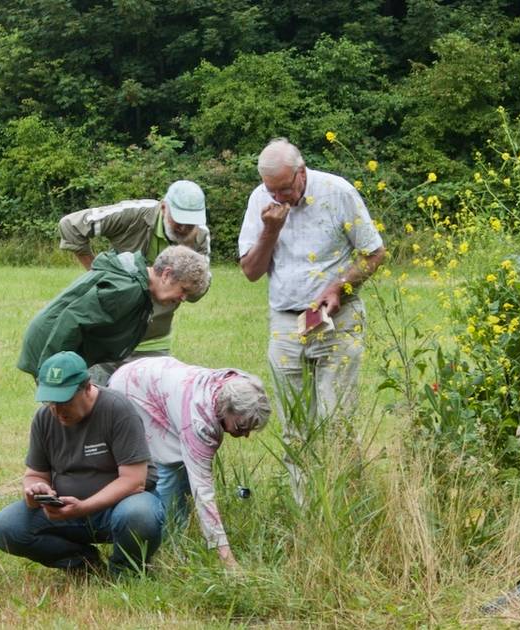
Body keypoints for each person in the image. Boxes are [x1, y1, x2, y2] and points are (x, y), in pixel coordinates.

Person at [237, 138, 386, 502]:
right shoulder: (262, 200)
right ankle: (306, 506)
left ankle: (344, 501)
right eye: (273, 190)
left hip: (338, 319)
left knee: (336, 420)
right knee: (294, 424)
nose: (280, 197)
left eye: (286, 188)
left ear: (302, 172)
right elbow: (251, 271)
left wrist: (340, 286)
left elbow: (374, 253)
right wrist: (270, 230)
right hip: (287, 323)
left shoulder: (338, 192)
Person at [0, 351, 165, 575]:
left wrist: (83, 507)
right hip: (65, 509)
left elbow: (134, 481)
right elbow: (34, 473)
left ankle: (126, 572)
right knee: (5, 527)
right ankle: (83, 564)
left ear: (87, 386)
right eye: (50, 400)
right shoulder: (44, 418)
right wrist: (35, 490)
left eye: (65, 400)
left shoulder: (118, 410)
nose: (57, 409)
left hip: (116, 508)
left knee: (140, 515)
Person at [108, 356, 271, 570]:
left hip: (157, 378)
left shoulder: (240, 384)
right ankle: (162, 550)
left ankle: (175, 543)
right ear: (226, 409)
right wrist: (227, 559)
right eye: (241, 427)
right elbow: (203, 494)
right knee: (171, 469)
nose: (246, 435)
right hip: (134, 389)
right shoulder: (199, 422)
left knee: (182, 467)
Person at [57, 180, 211, 385]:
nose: (183, 227)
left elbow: (200, 291)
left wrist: (188, 261)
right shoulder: (134, 214)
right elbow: (70, 225)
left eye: (189, 223)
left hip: (153, 342)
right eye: (178, 220)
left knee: (150, 409)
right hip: (107, 334)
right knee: (94, 404)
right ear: (164, 206)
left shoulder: (199, 236)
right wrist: (97, 273)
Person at [16, 245, 210, 378]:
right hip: (50, 343)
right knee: (69, 411)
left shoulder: (137, 281)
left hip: (55, 340)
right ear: (166, 274)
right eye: (183, 290)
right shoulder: (128, 289)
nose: (183, 298)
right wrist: (53, 371)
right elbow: (72, 319)